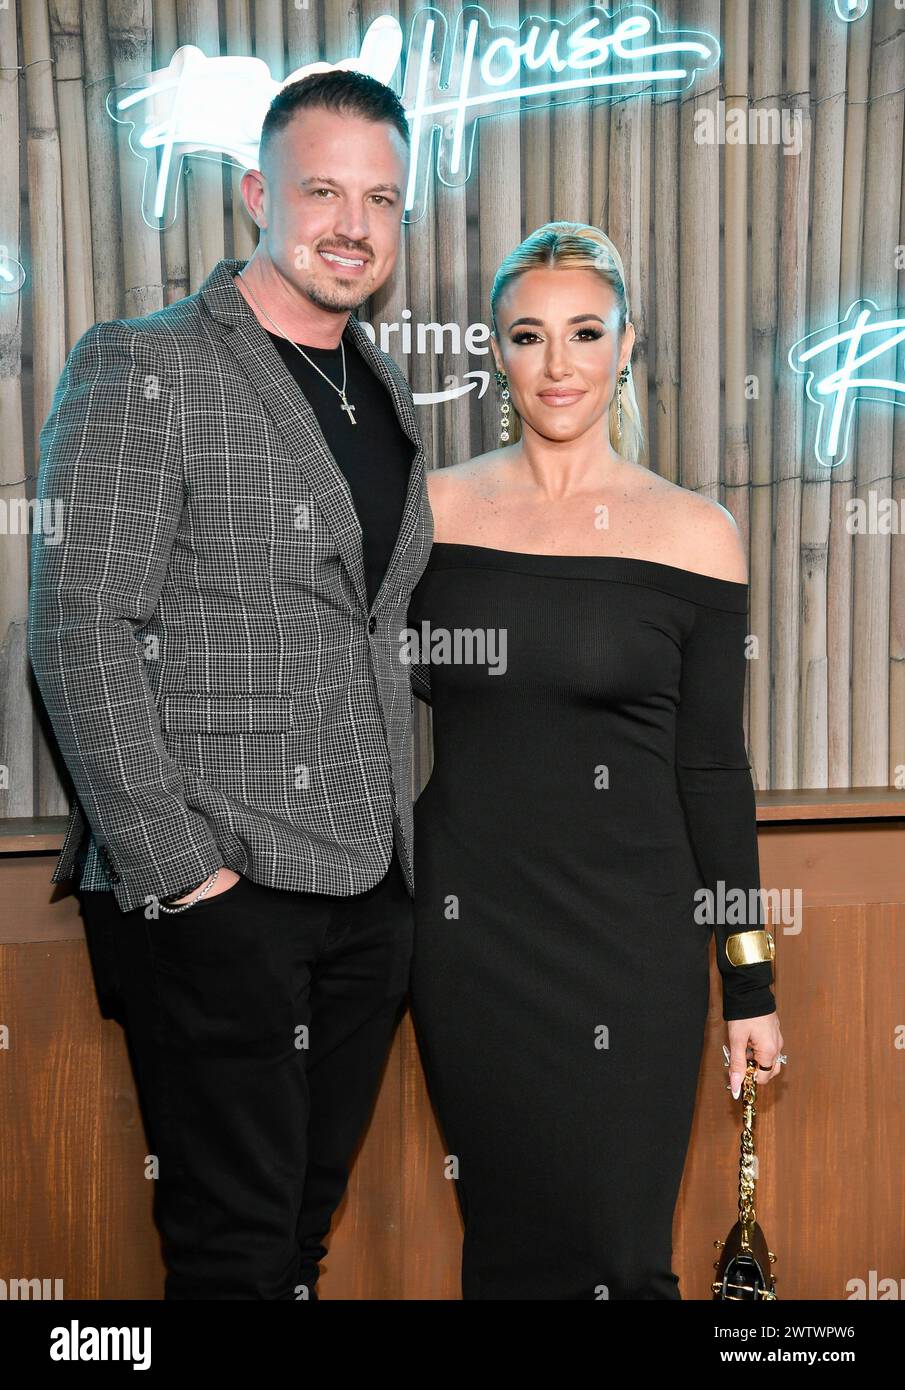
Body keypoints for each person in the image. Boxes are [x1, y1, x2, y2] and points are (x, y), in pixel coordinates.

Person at [27, 71, 431, 1300]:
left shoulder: (377, 387)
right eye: (322, 189)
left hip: (367, 890)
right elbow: (77, 622)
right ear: (259, 193)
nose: (352, 222)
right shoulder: (140, 362)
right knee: (232, 1251)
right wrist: (179, 874)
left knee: (296, 1235)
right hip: (217, 889)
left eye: (380, 198)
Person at [406, 221, 784, 1300]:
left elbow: (711, 770)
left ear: (627, 346)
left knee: (618, 1258)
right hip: (471, 938)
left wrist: (748, 980)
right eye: (528, 336)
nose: (557, 364)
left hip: (633, 940)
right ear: (495, 350)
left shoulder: (693, 533)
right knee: (508, 1251)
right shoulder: (432, 515)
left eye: (583, 333)